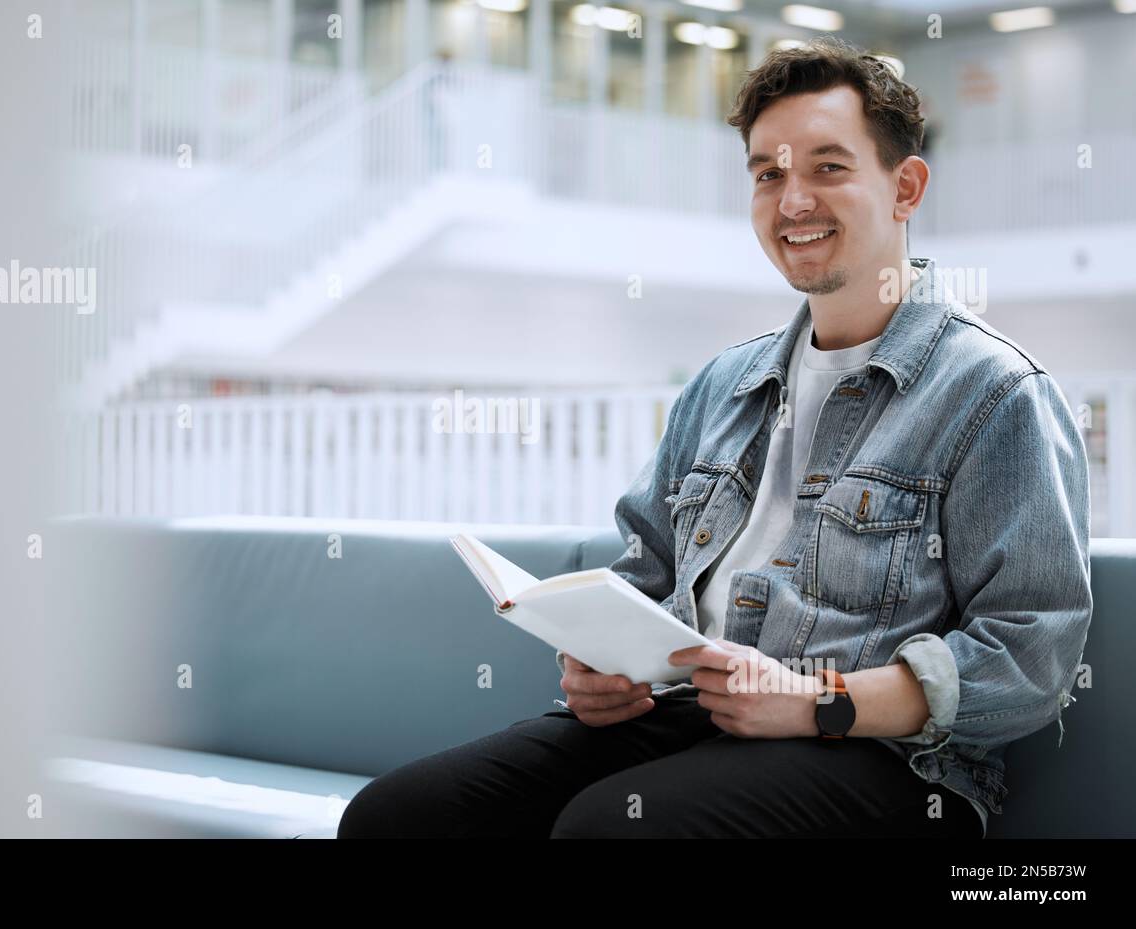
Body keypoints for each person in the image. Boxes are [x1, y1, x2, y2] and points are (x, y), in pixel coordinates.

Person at [337, 37, 1092, 839]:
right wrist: (599, 666)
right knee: (398, 816)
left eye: (828, 168)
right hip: (689, 720)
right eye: (768, 173)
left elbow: (1031, 659)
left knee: (611, 831)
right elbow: (645, 571)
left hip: (886, 761)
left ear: (905, 187)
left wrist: (816, 702)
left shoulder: (995, 391)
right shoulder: (722, 385)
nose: (792, 199)